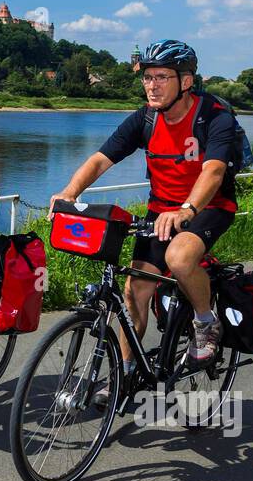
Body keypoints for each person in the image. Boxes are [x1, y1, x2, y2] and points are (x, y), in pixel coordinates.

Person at [48, 39, 238, 399]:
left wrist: (187, 210)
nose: (152, 85)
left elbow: (212, 172)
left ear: (185, 81)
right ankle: (126, 370)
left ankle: (205, 321)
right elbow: (101, 159)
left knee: (179, 258)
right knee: (135, 290)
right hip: (159, 209)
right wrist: (70, 192)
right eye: (148, 77)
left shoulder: (214, 116)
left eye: (162, 77)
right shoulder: (145, 118)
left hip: (209, 206)